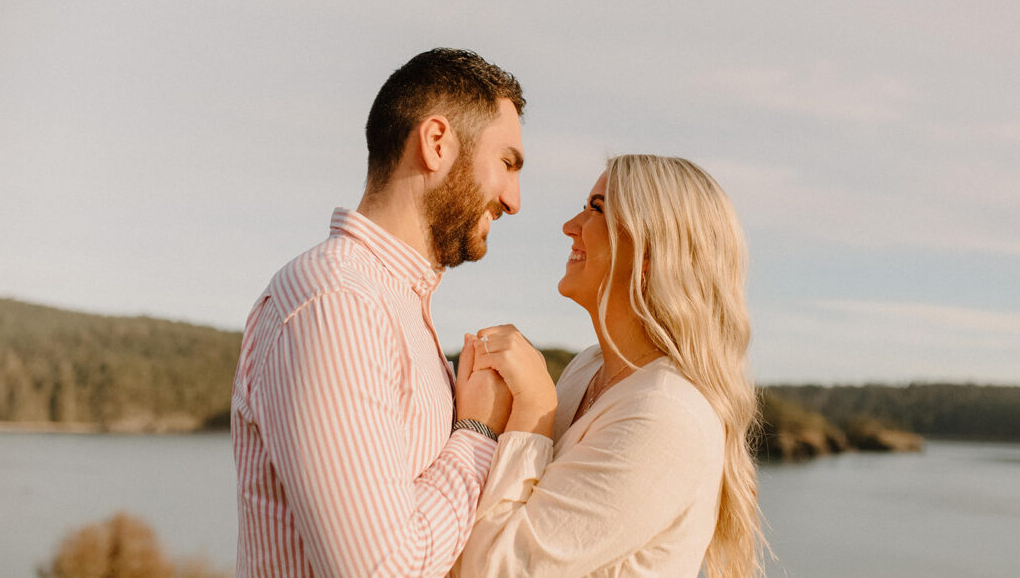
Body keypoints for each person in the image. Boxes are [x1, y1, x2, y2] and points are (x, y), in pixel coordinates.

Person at [230, 48, 534, 576]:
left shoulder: (390, 305)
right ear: (437, 143)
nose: (514, 200)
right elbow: (383, 569)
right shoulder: (336, 303)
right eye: (506, 163)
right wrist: (478, 432)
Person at [453, 154, 766, 577]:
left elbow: (496, 570)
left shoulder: (666, 415)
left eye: (596, 209)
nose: (570, 225)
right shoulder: (589, 367)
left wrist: (532, 410)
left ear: (652, 249)